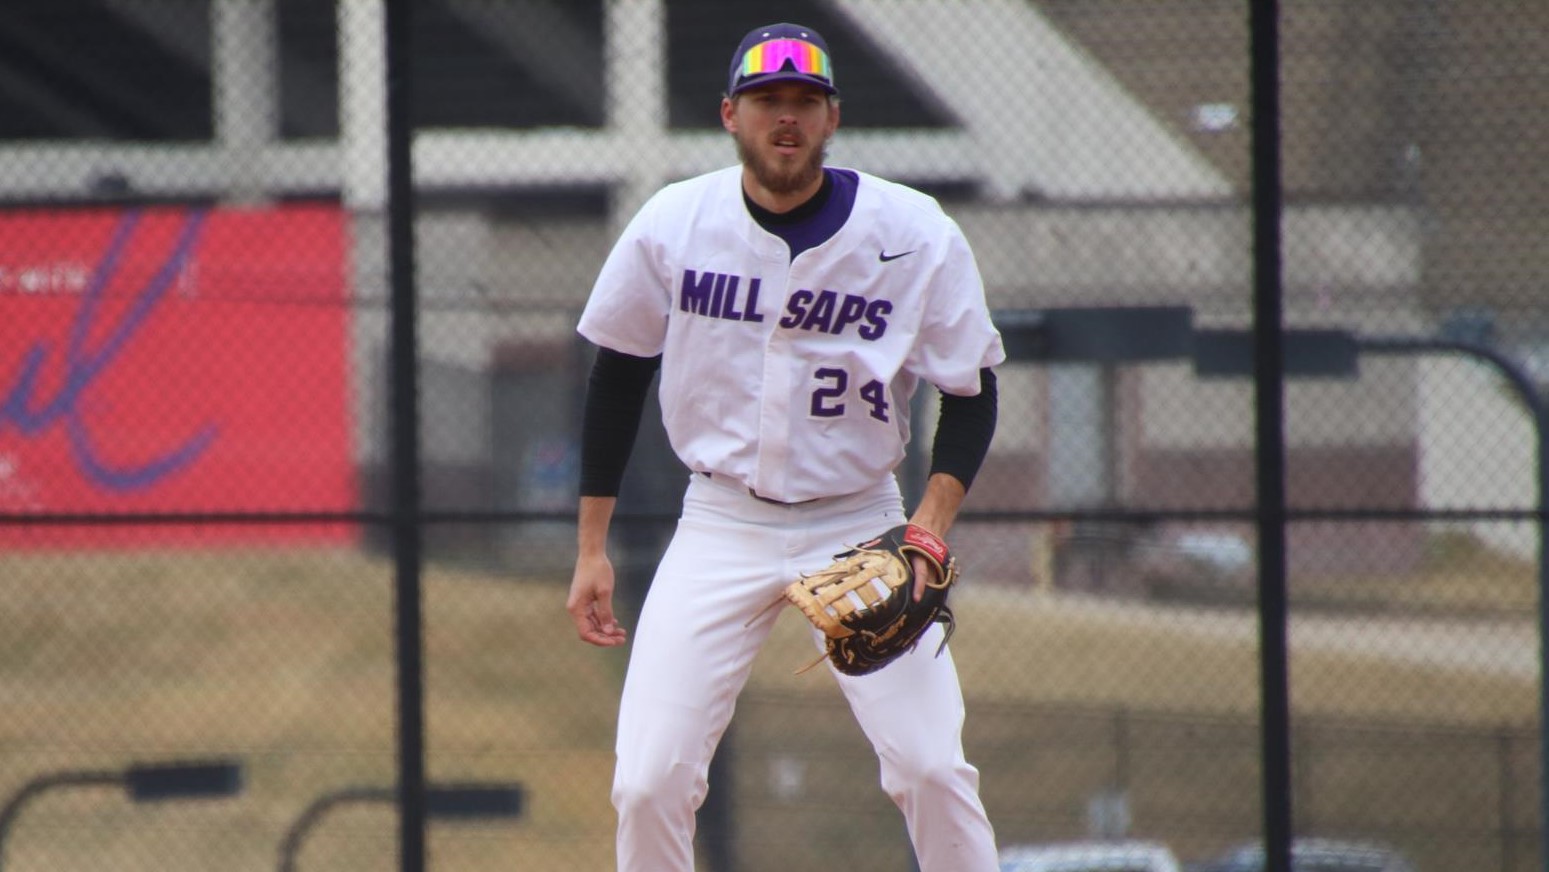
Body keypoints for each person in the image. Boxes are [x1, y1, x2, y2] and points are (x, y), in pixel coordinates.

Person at [565, 21, 1004, 872]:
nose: (786, 118)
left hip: (860, 521)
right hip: (719, 522)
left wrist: (924, 531)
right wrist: (591, 548)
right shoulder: (673, 223)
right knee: (648, 782)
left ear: (832, 117)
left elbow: (973, 393)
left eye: (805, 100)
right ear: (730, 113)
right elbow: (615, 377)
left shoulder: (913, 231)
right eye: (768, 100)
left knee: (930, 766)